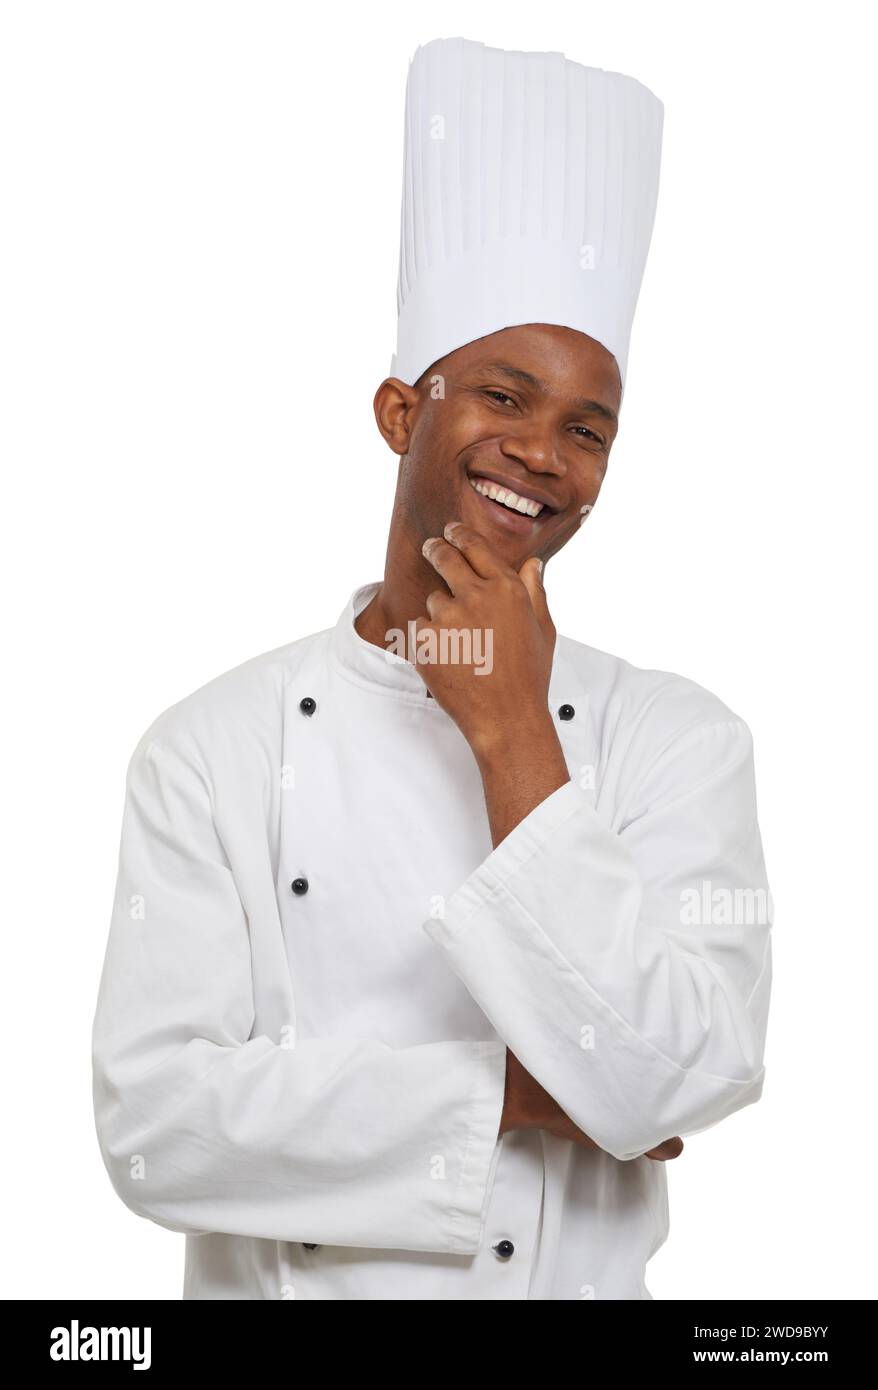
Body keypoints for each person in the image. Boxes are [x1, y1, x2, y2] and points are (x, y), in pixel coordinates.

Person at [92, 36, 772, 1301]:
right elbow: (153, 1126)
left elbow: (684, 1073)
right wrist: (518, 1093)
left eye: (585, 428)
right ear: (404, 413)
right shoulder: (213, 747)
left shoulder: (678, 739)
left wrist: (514, 727)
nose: (540, 453)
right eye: (501, 396)